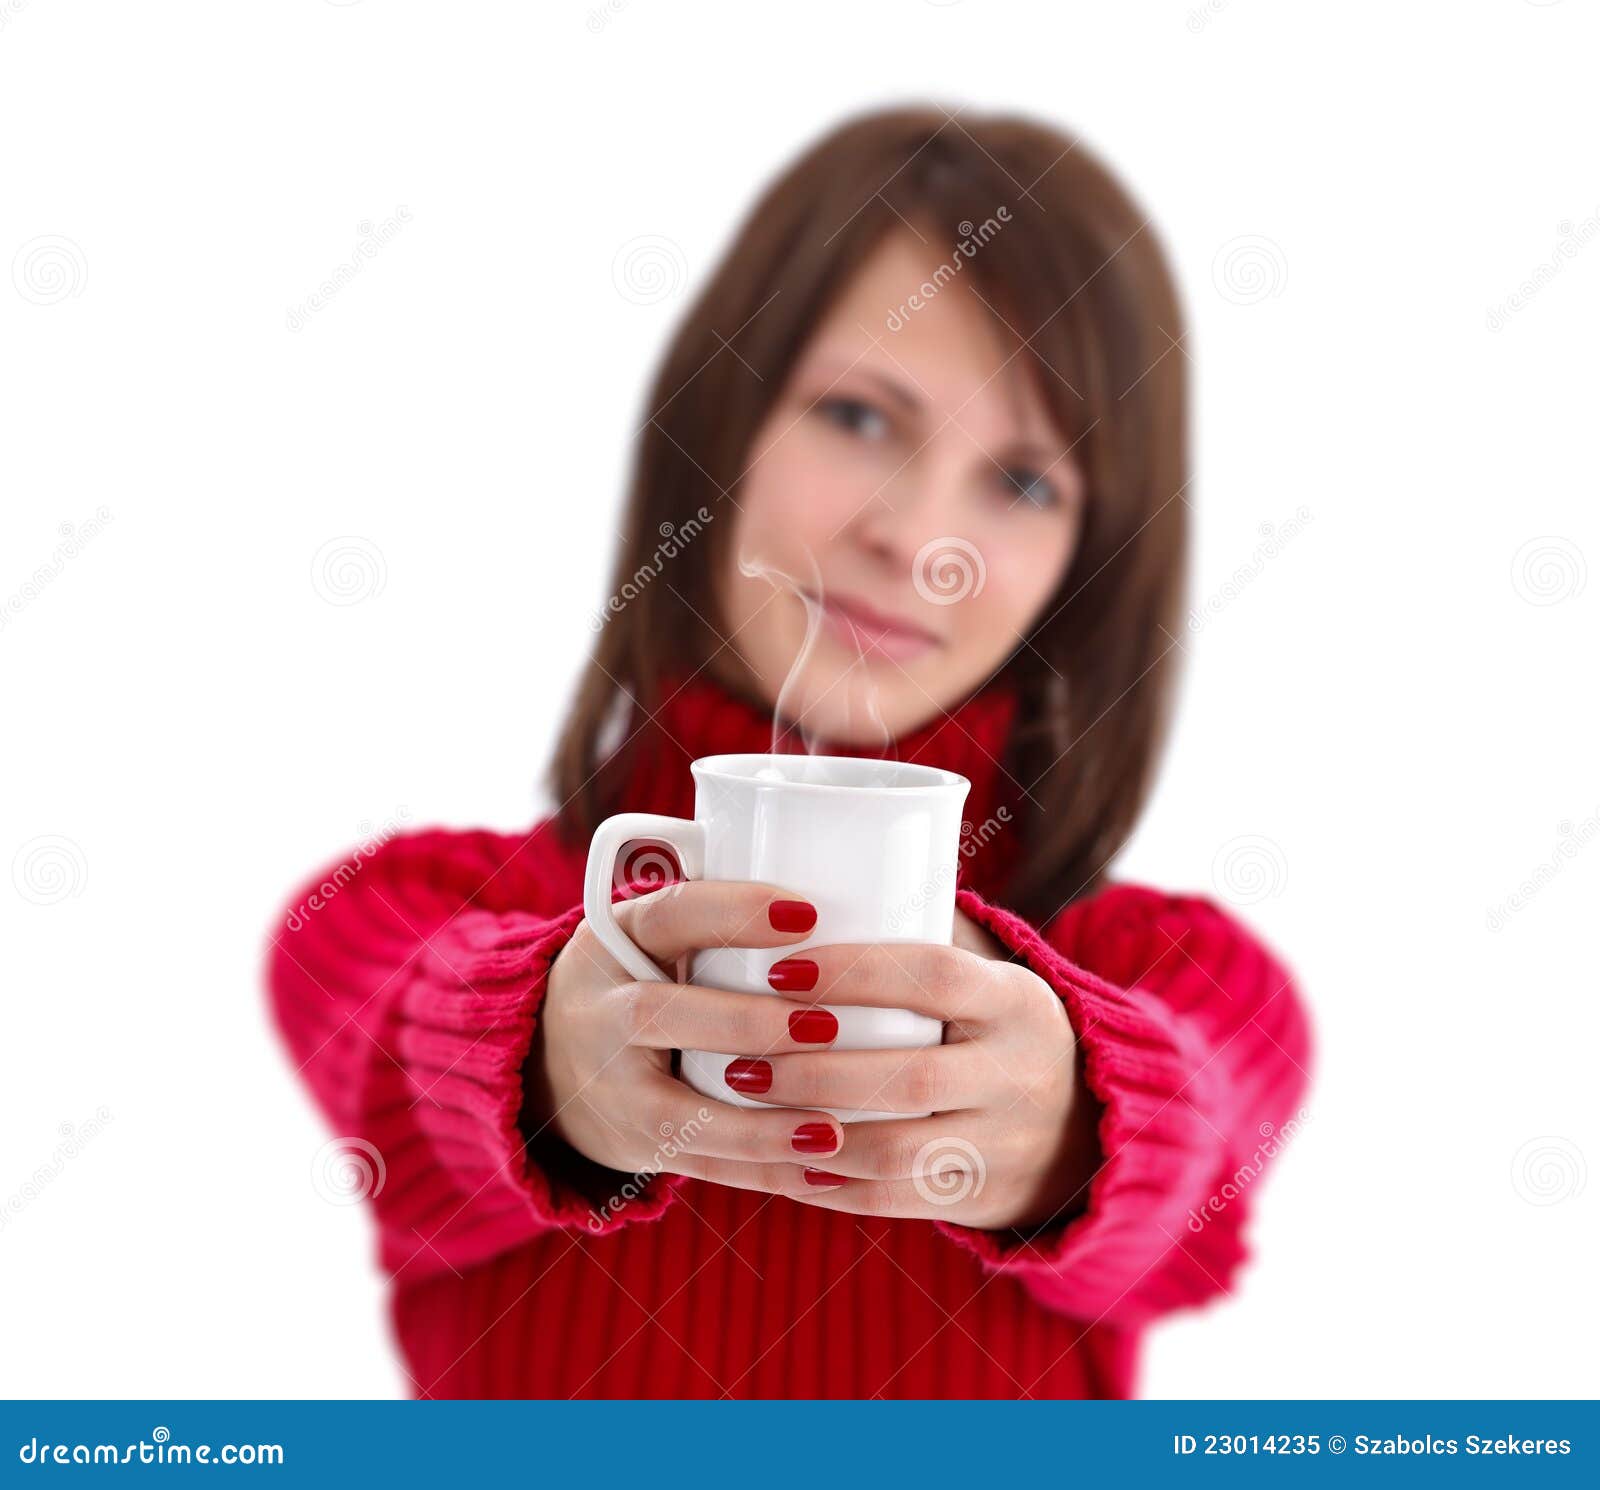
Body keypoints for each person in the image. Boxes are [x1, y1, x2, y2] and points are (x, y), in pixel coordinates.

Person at [269, 106, 1310, 1399]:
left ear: (1086, 570)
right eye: (860, 416)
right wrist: (544, 1060)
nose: (915, 533)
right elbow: (397, 1039)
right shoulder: (403, 912)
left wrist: (1083, 1123)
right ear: (719, 420)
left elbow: (1202, 1135)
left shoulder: (1187, 983)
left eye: (1025, 482)